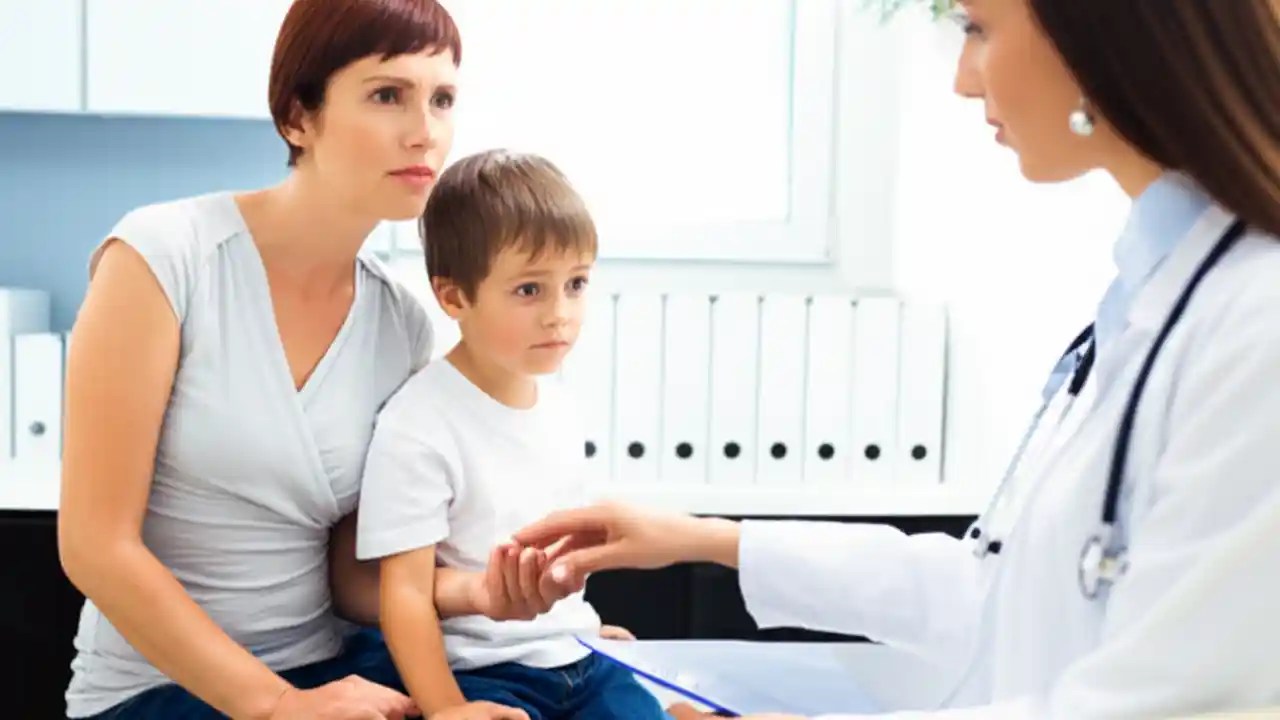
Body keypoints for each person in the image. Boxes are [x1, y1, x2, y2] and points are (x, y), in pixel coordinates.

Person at [510, 0, 1280, 718]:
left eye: (978, 28)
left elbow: (1174, 703)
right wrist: (706, 539)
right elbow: (994, 587)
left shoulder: (1254, 322)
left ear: (1093, 31)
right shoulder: (1153, 291)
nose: (962, 79)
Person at [54, 1, 515, 717]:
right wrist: (275, 705)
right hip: (158, 691)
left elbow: (355, 574)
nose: (425, 131)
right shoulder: (165, 257)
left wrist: (537, 632)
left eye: (442, 99)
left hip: (330, 668)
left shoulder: (401, 324)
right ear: (299, 117)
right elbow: (94, 545)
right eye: (387, 94)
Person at [353, 149, 671, 720]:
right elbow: (403, 593)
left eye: (576, 283)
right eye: (530, 290)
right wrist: (446, 708)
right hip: (481, 672)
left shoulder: (559, 407)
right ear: (454, 297)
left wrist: (578, 629)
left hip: (579, 660)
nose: (560, 314)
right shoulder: (418, 423)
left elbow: (557, 554)